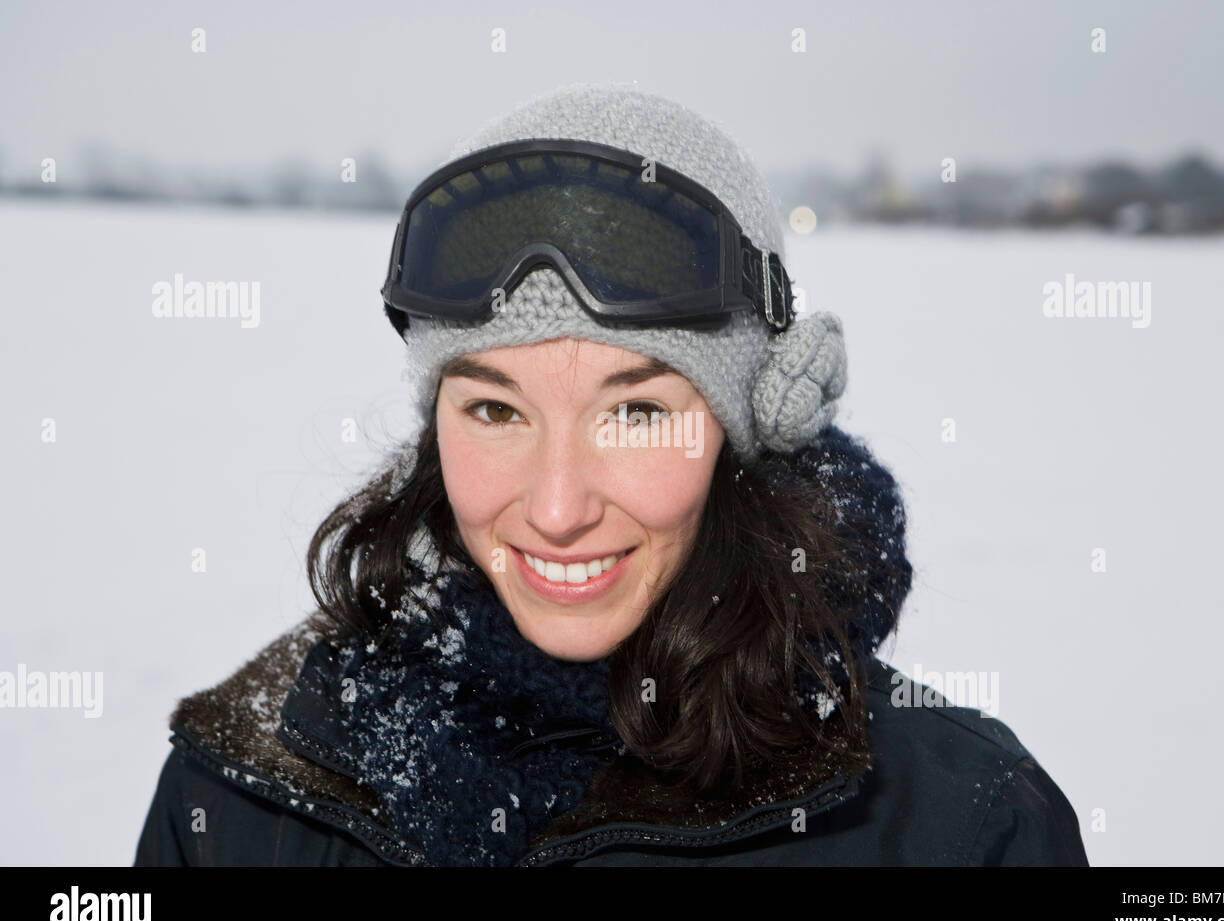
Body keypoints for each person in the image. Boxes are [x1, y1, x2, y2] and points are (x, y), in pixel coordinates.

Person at [134, 82, 1088, 867]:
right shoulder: (251, 793)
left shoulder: (963, 828)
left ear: (751, 429)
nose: (557, 510)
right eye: (495, 411)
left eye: (635, 414)